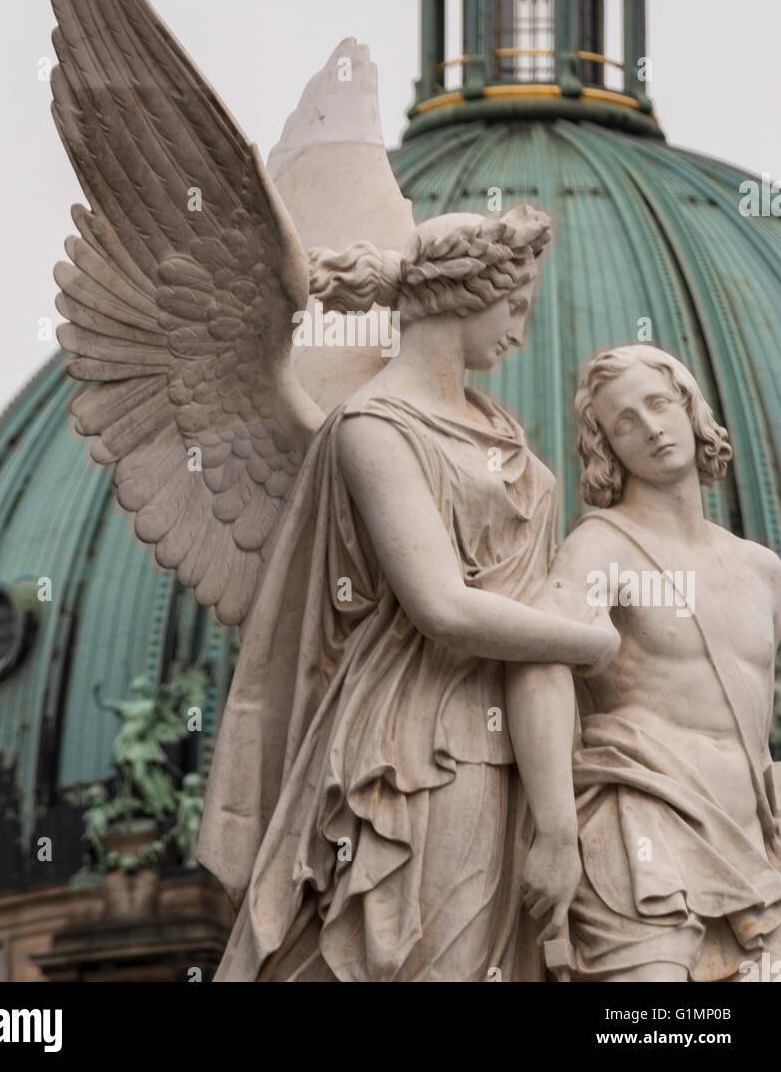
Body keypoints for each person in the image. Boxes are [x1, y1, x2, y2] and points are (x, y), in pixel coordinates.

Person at [197, 207, 618, 982]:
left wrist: (557, 817)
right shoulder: (374, 428)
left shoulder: (500, 430)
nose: (521, 333)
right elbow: (444, 609)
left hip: (518, 748)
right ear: (466, 293)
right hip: (418, 746)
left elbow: (520, 633)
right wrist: (591, 641)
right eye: (515, 306)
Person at [507, 344, 781, 982]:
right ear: (607, 447)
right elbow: (538, 666)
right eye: (625, 421)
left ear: (691, 410)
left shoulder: (762, 569)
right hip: (640, 831)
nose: (652, 427)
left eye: (660, 404)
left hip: (751, 840)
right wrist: (554, 831)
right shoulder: (601, 548)